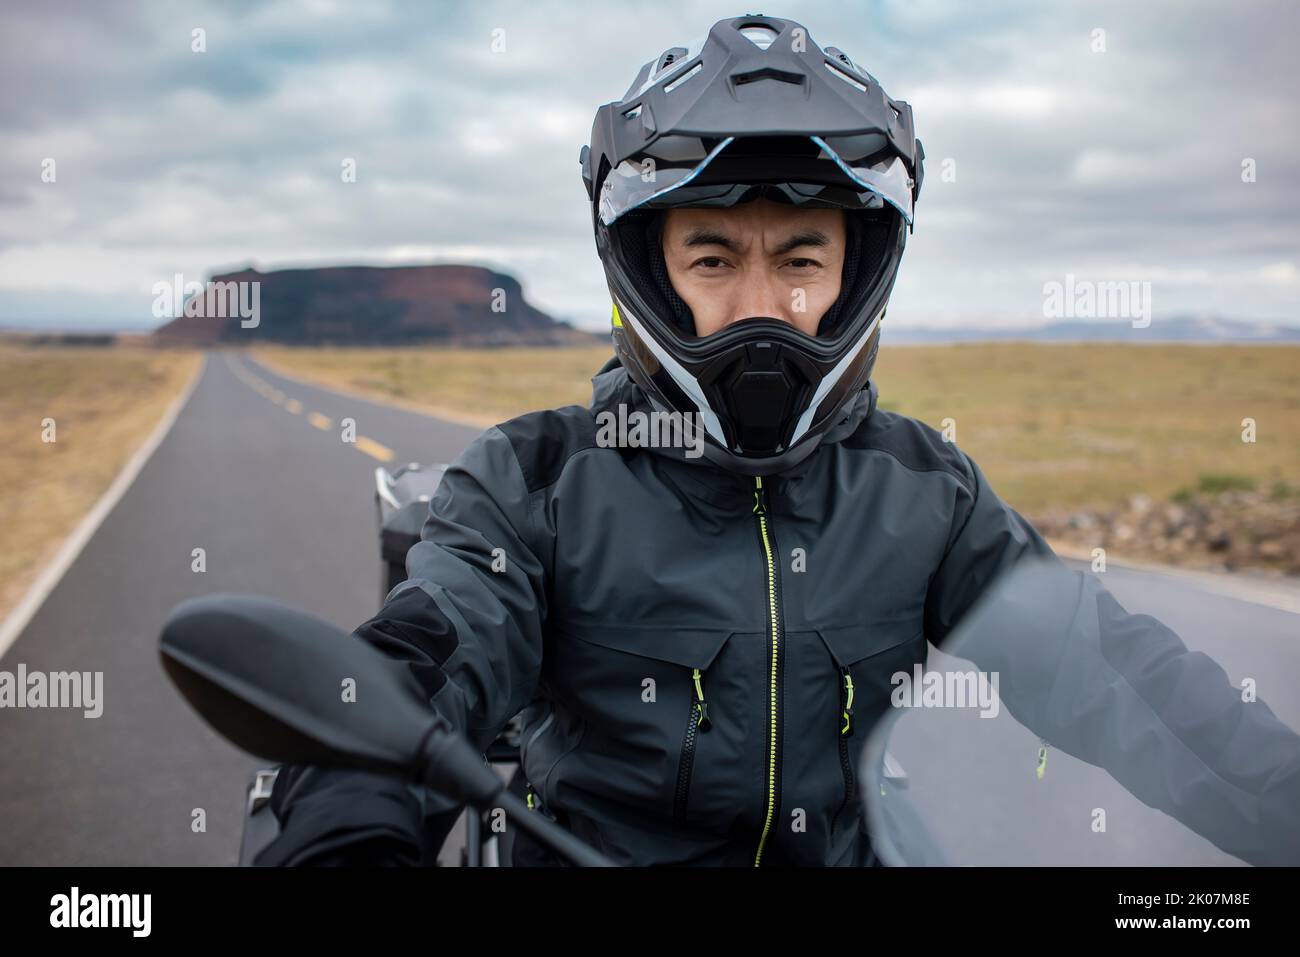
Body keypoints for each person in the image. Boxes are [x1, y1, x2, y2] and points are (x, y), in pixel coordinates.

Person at [258, 14, 1300, 867]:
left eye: (801, 258)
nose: (764, 308)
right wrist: (343, 836)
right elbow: (416, 669)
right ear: (649, 273)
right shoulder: (531, 479)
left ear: (858, 272)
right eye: (712, 259)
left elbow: (1118, 675)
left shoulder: (925, 492)